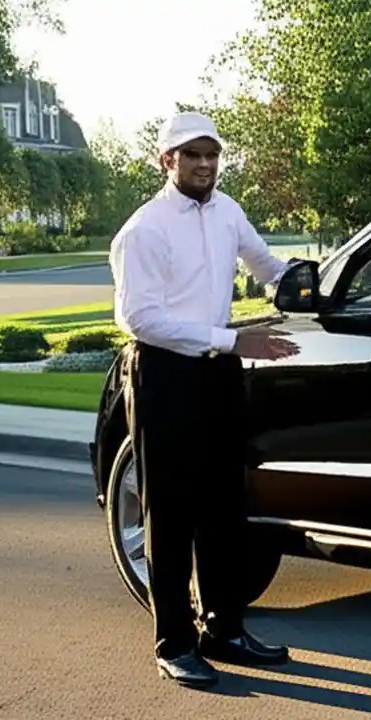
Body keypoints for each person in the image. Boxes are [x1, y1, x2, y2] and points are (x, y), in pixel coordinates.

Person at [109, 111, 300, 689]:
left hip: (218, 375)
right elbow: (139, 318)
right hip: (165, 373)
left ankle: (224, 628)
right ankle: (174, 641)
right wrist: (231, 338)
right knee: (169, 510)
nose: (204, 164)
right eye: (190, 155)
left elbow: (268, 266)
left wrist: (316, 281)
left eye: (211, 154)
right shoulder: (143, 229)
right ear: (166, 161)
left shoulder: (228, 212)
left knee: (223, 505)